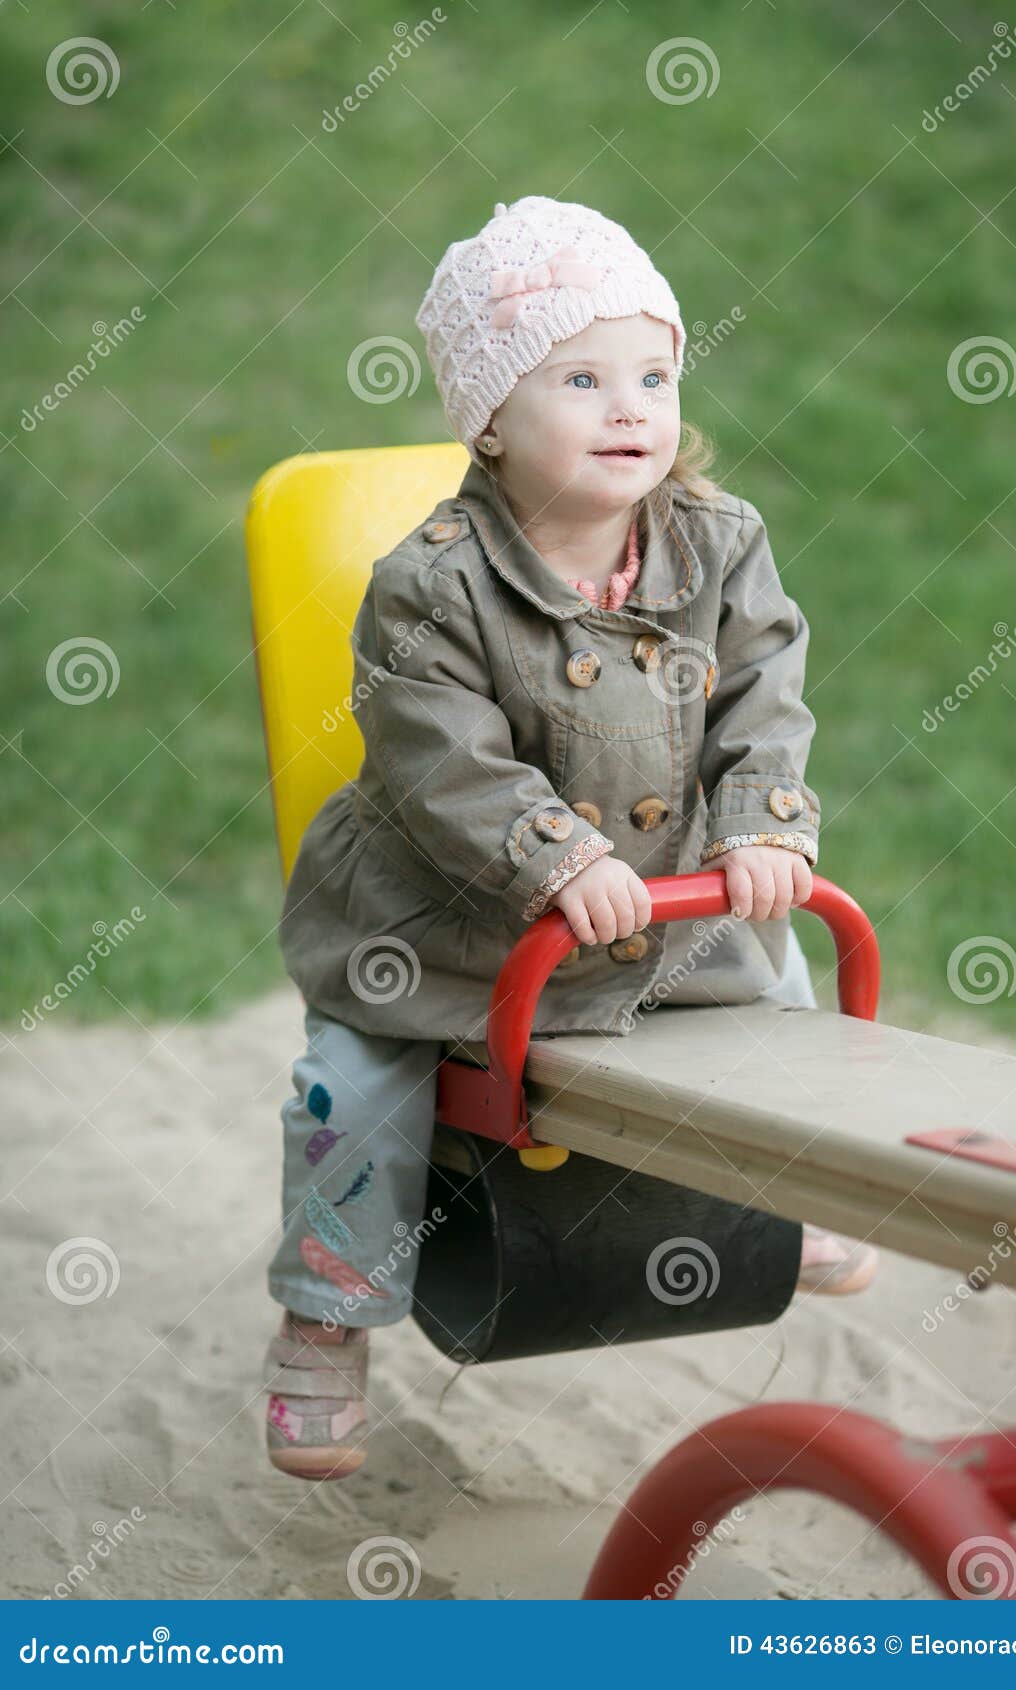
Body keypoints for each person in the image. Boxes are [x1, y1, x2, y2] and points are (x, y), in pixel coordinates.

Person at [261, 196, 878, 1483]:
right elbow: (442, 765)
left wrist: (765, 820)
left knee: (784, 987)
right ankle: (328, 1311)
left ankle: (798, 1189)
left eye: (650, 375)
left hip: (658, 910)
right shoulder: (429, 583)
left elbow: (765, 690)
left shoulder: (718, 542)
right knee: (355, 1085)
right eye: (580, 378)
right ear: (486, 418)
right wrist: (555, 856)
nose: (627, 409)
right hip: (455, 919)